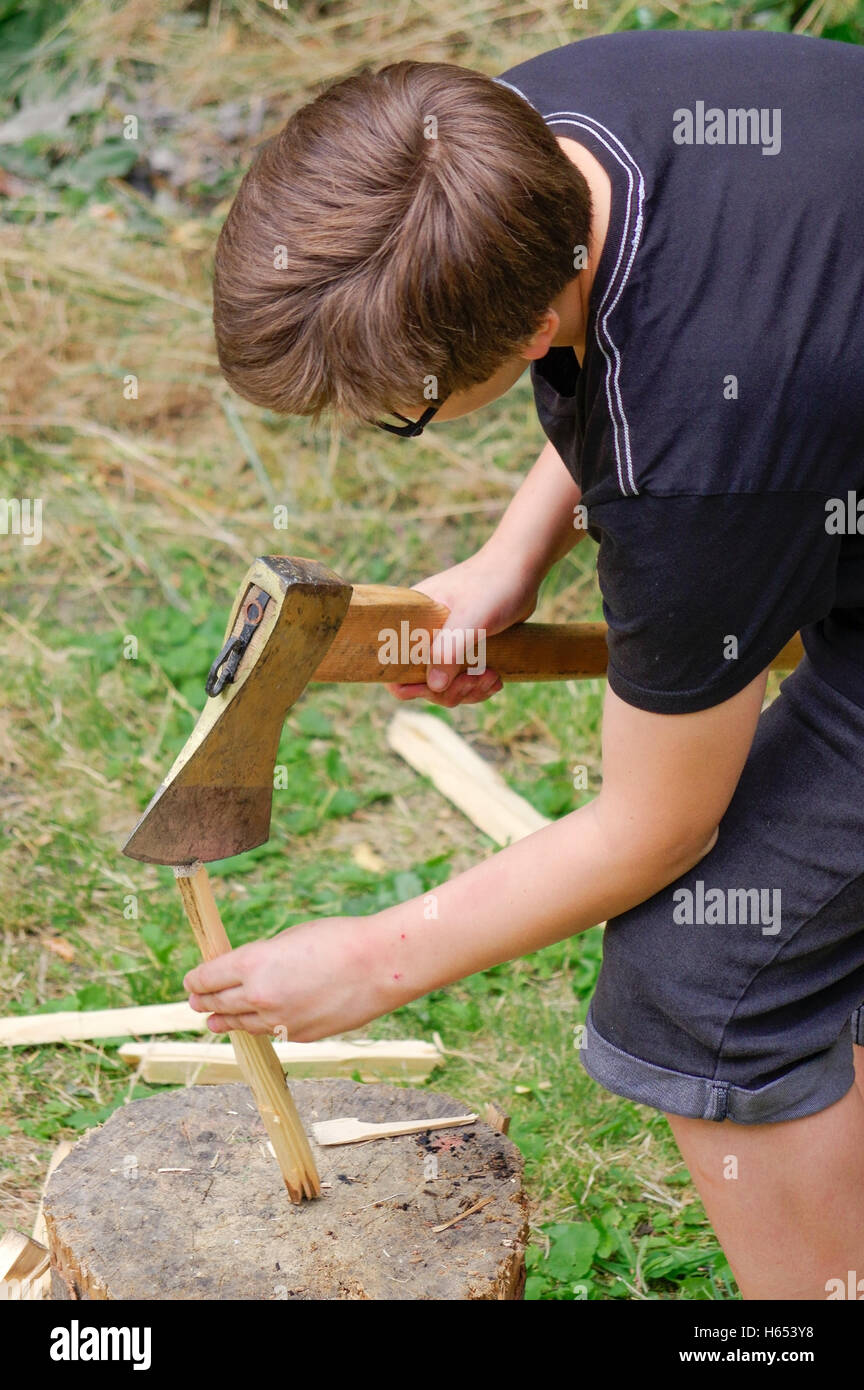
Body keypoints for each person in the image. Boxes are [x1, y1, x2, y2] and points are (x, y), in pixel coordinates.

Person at [185, 29, 864, 1299]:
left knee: (704, 974)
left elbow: (656, 827)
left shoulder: (694, 471)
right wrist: (517, 547)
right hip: (814, 431)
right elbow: (678, 330)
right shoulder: (513, 131)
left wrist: (377, 959)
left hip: (787, 447)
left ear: (530, 317)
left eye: (409, 410)